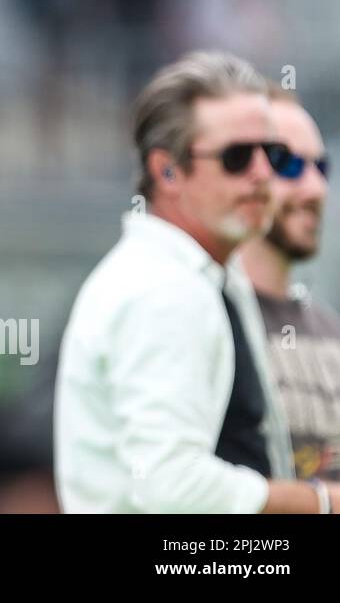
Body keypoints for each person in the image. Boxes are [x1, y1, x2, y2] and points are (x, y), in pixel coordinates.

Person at [54, 51, 337, 513]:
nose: (263, 174)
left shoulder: (195, 278)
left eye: (273, 154)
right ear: (167, 170)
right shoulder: (165, 290)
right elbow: (171, 486)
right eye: (237, 157)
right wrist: (322, 502)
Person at [236, 91, 340, 481]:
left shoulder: (332, 331)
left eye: (321, 167)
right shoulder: (204, 320)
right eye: (289, 164)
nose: (315, 189)